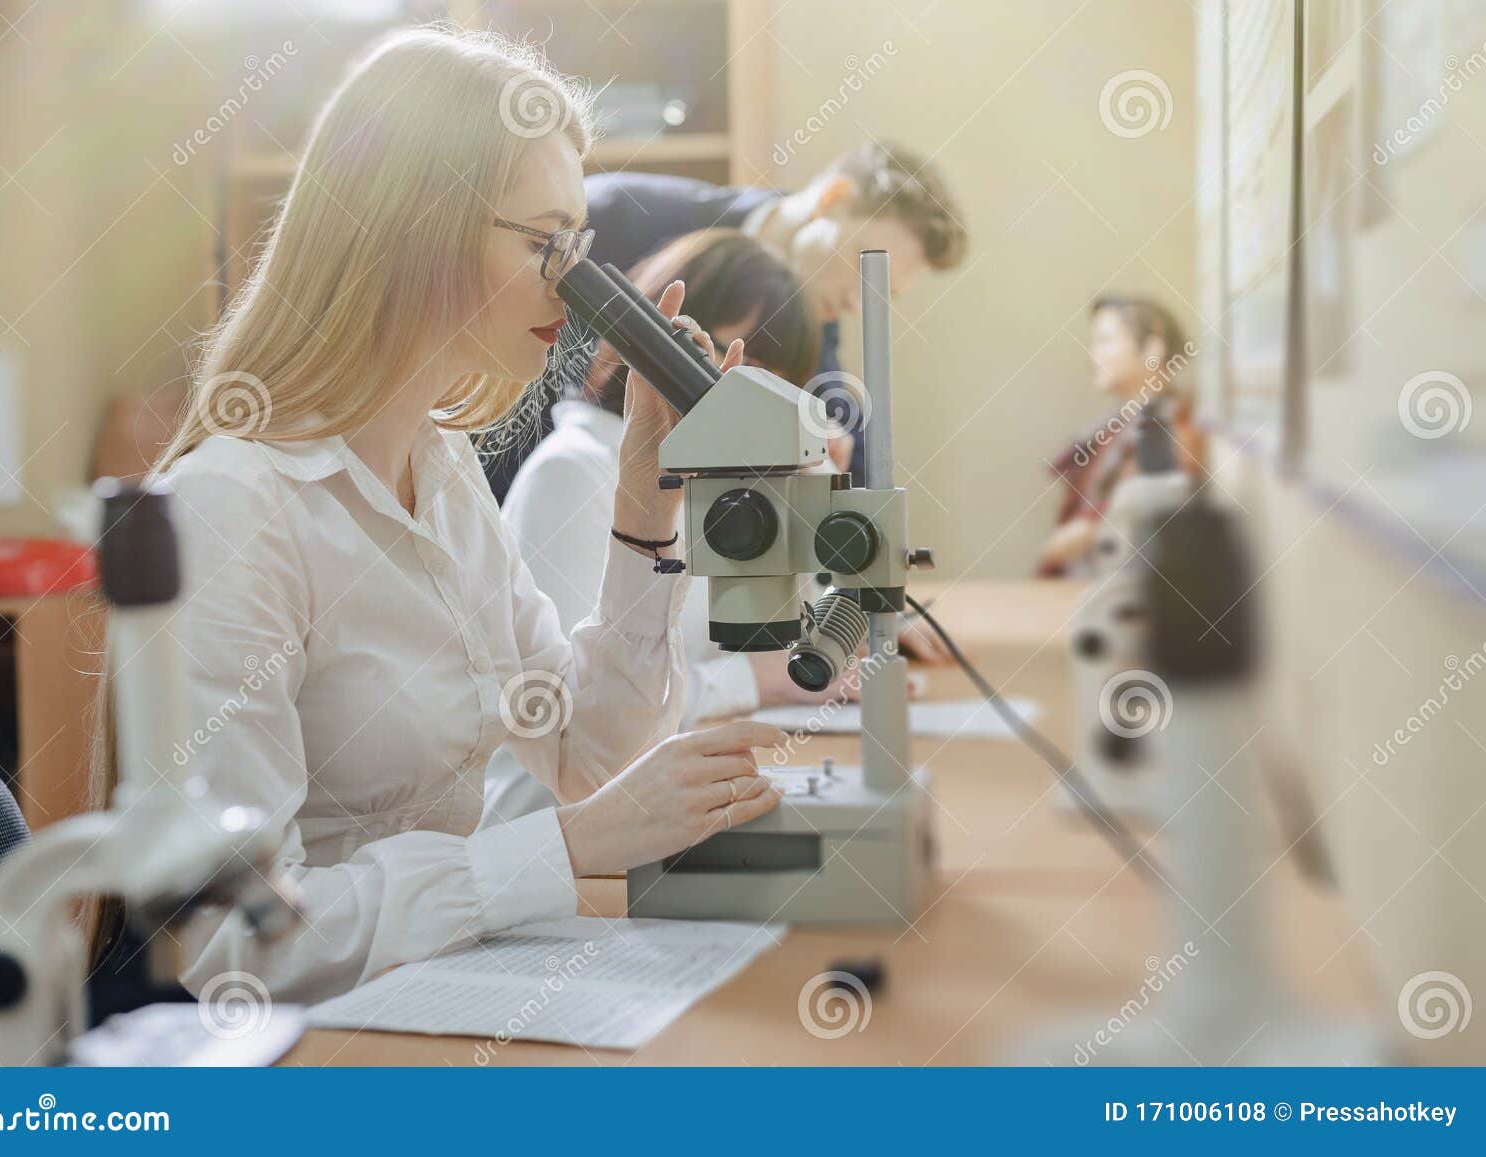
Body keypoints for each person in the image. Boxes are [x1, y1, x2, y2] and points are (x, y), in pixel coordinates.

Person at [83, 27, 790, 1007]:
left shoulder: (442, 472)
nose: (571, 285)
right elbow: (233, 946)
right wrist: (567, 847)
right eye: (545, 244)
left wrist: (644, 505)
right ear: (415, 228)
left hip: (430, 995)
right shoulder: (236, 508)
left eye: (580, 247)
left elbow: (586, 751)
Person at [485, 228, 952, 825]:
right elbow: (581, 727)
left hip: (648, 802)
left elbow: (776, 626)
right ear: (666, 345)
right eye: (742, 361)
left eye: (775, 379)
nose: (751, 394)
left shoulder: (723, 478)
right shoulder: (574, 476)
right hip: (548, 833)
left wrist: (814, 507)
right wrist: (756, 679)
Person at [480, 141, 969, 499]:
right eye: (865, 267)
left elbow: (853, 474)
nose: (860, 306)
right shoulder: (621, 215)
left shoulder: (819, 322)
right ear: (833, 199)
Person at [1038, 295, 1206, 578]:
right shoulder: (1118, 427)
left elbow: (1134, 524)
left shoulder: (1171, 429)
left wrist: (1082, 535)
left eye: (1105, 341)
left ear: (1153, 350)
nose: (1094, 354)